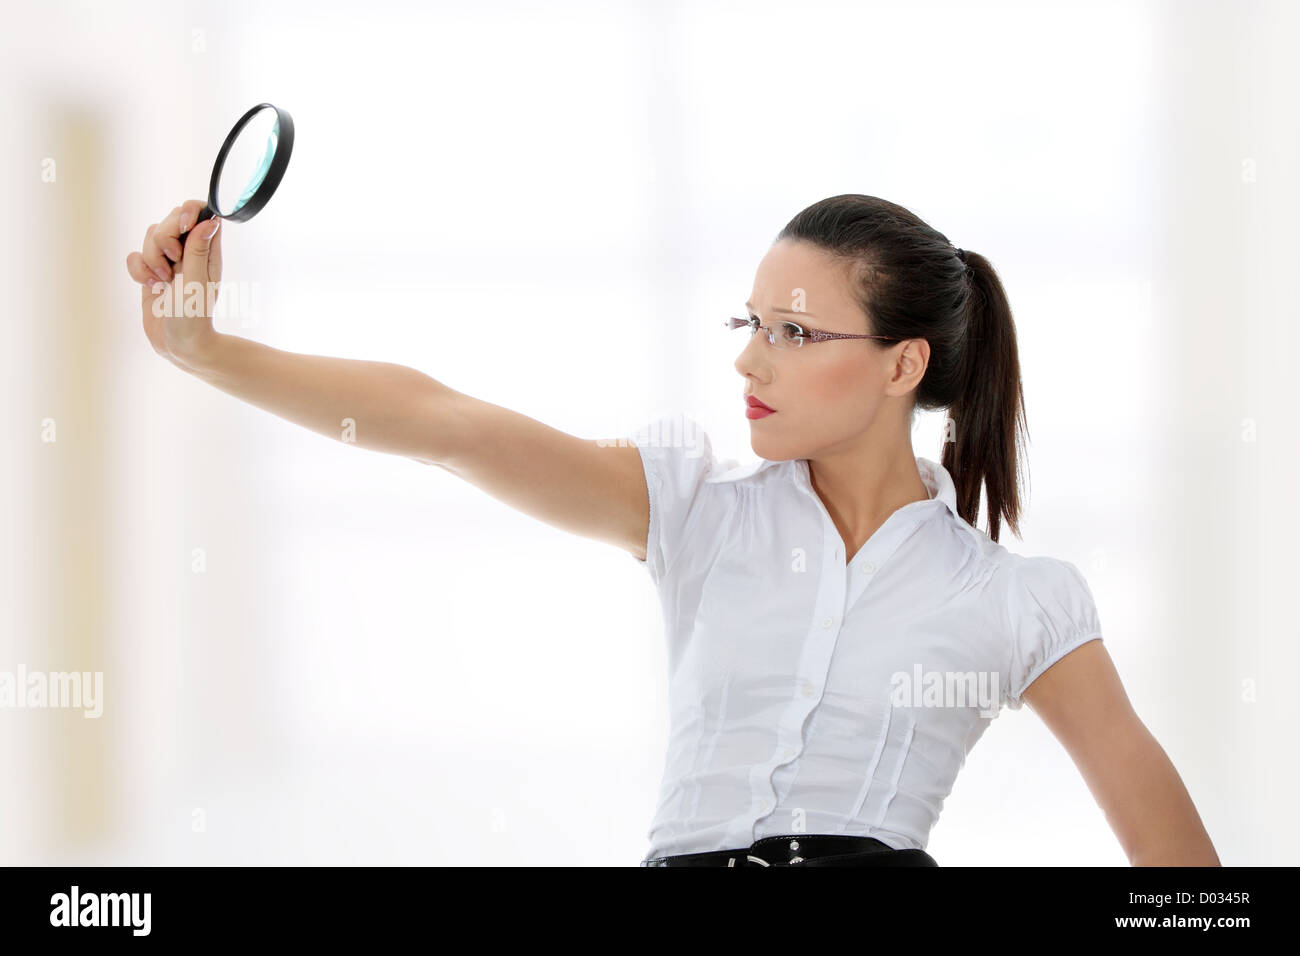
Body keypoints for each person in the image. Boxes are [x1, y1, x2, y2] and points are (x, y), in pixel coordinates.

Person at [126, 194, 1220, 867]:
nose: (750, 359)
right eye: (752, 324)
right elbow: (447, 424)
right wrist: (207, 351)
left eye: (794, 331)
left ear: (902, 364)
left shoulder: (1016, 600)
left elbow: (1180, 869)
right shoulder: (694, 510)